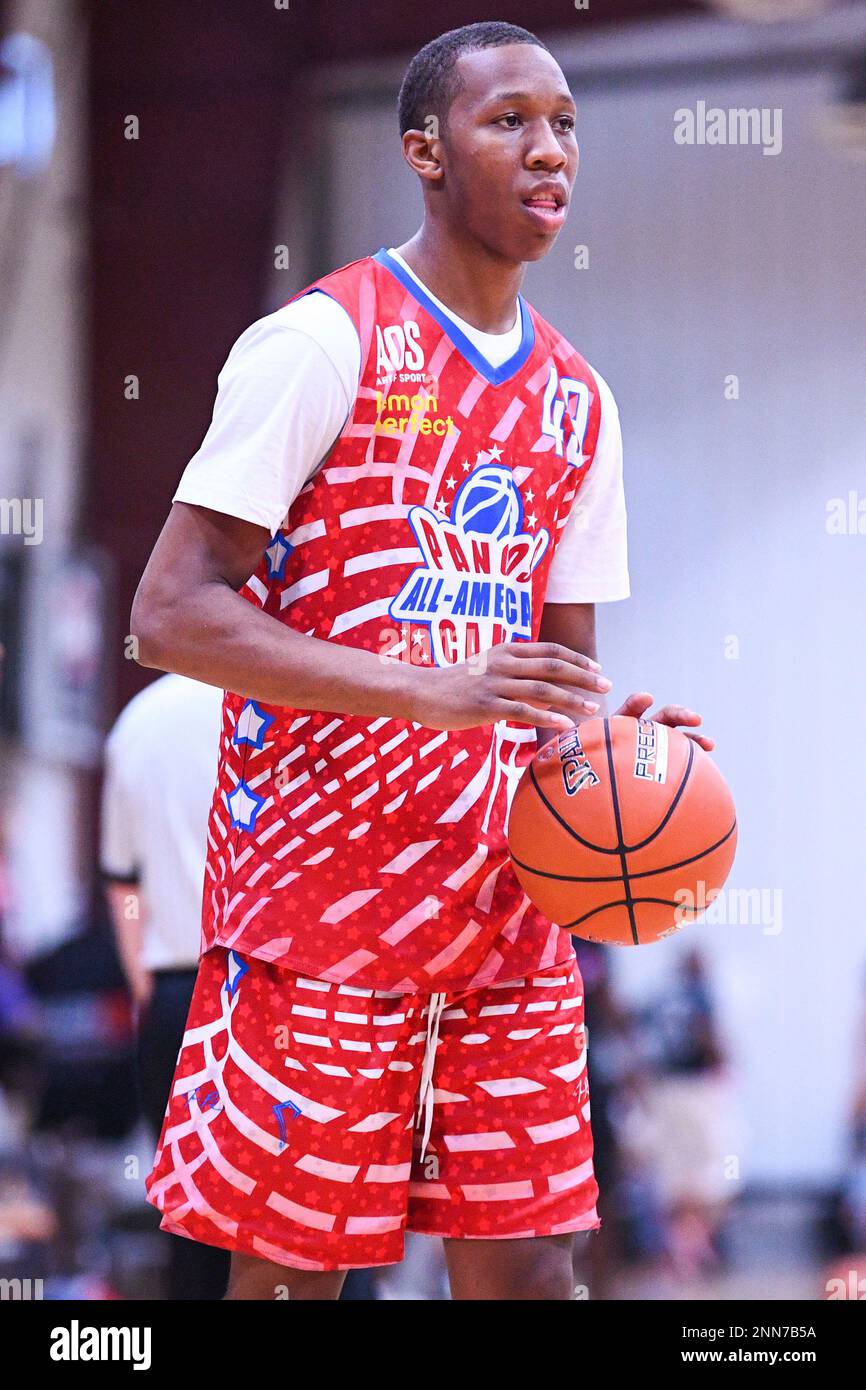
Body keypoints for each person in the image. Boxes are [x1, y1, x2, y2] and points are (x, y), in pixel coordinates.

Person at [131, 21, 713, 1301]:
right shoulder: (323, 342)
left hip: (503, 915)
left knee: (530, 1274)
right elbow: (169, 614)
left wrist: (627, 748)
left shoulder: (576, 400)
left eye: (563, 123)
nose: (548, 149)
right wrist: (427, 689)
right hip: (316, 917)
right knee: (290, 1287)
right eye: (507, 120)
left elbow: (556, 685)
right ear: (424, 153)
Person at [100, 672, 230, 1298]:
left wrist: (150, 992)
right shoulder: (291, 699)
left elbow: (123, 885)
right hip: (283, 991)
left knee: (190, 1228)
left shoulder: (137, 722)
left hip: (175, 999)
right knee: (317, 1224)